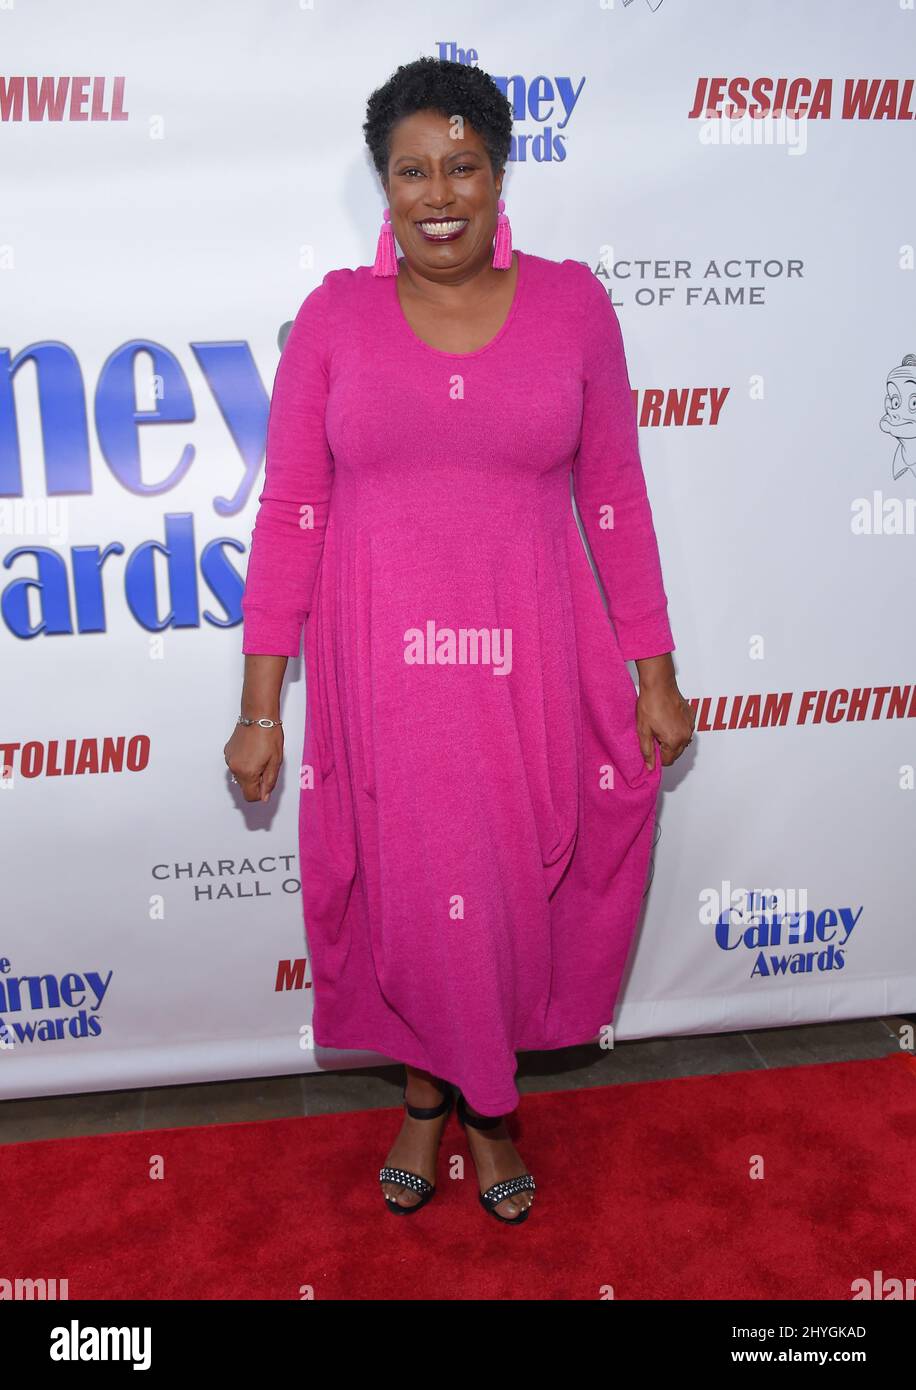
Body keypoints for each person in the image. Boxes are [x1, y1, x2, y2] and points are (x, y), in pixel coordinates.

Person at [225, 57, 695, 1226]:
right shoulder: (332, 317)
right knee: (411, 885)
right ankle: (441, 1104)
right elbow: (290, 515)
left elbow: (617, 503)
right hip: (380, 665)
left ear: (498, 173)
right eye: (411, 170)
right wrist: (257, 704)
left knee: (504, 888)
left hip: (533, 655)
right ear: (381, 186)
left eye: (463, 165)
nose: (439, 192)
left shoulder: (574, 305)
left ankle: (477, 1105)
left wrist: (657, 672)